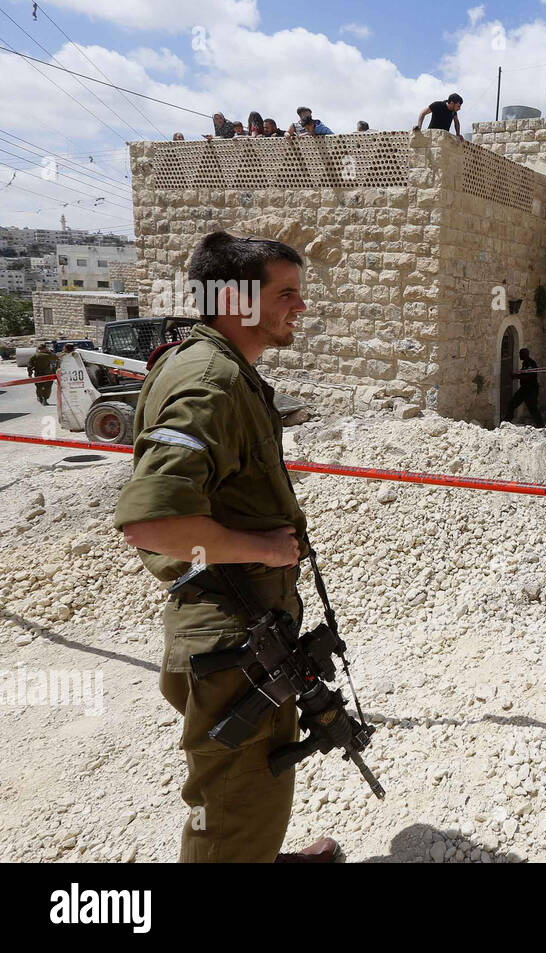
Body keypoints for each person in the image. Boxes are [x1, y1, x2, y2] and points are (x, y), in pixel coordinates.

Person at [113, 231, 338, 863]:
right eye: (286, 293)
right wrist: (263, 551)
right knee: (234, 804)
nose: (302, 307)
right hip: (229, 640)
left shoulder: (221, 369)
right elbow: (151, 525)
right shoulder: (209, 382)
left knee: (257, 779)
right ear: (237, 301)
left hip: (247, 629)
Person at [507, 347, 544, 426]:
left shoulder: (531, 363)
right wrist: (515, 376)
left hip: (531, 390)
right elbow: (523, 374)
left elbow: (529, 376)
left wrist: (517, 376)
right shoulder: (525, 363)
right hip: (524, 389)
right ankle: (507, 422)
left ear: (525, 354)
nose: (519, 355)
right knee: (512, 404)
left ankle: (540, 425)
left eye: (521, 354)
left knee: (533, 408)